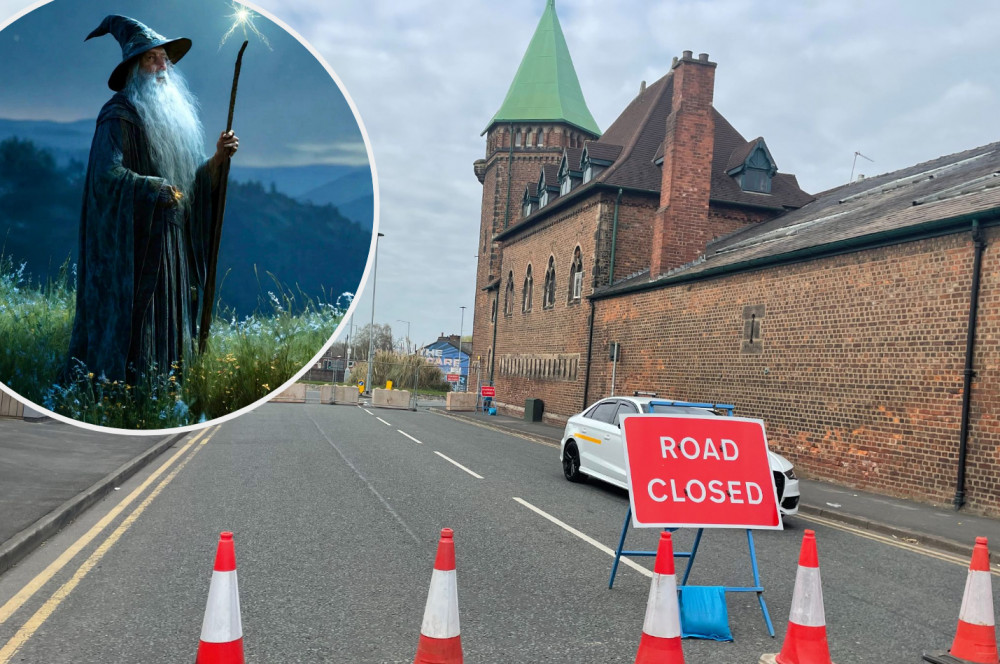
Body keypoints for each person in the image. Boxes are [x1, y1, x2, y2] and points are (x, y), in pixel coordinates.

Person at [67, 15, 239, 383]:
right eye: (152, 59)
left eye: (164, 58)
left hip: (171, 245)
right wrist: (152, 188)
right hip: (137, 248)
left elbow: (186, 187)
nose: (163, 66)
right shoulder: (118, 116)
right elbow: (105, 175)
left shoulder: (168, 120)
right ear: (133, 68)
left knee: (169, 328)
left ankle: (166, 390)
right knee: (140, 326)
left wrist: (218, 160)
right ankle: (128, 389)